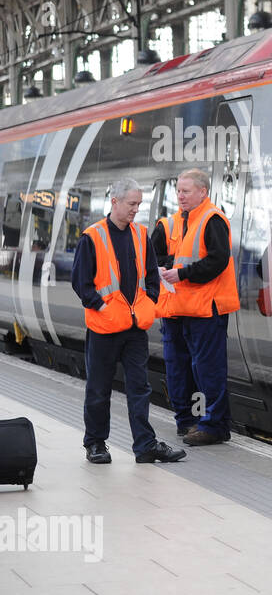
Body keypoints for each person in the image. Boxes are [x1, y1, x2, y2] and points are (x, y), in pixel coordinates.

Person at [70, 178, 186, 465]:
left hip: (135, 328)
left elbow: (150, 275)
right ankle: (95, 443)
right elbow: (81, 283)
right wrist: (101, 307)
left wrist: (149, 302)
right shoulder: (92, 237)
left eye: (139, 204)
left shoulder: (140, 234)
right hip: (105, 327)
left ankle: (145, 446)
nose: (136, 209)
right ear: (115, 202)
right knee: (99, 388)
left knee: (140, 387)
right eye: (132, 204)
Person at [152, 168, 239, 445]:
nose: (180, 196)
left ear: (203, 192)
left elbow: (218, 260)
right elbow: (151, 256)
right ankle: (187, 421)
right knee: (179, 368)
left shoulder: (212, 220)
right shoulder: (168, 225)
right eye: (178, 190)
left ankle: (213, 425)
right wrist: (170, 265)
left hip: (205, 310)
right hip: (176, 308)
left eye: (186, 191)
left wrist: (182, 272)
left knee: (206, 369)